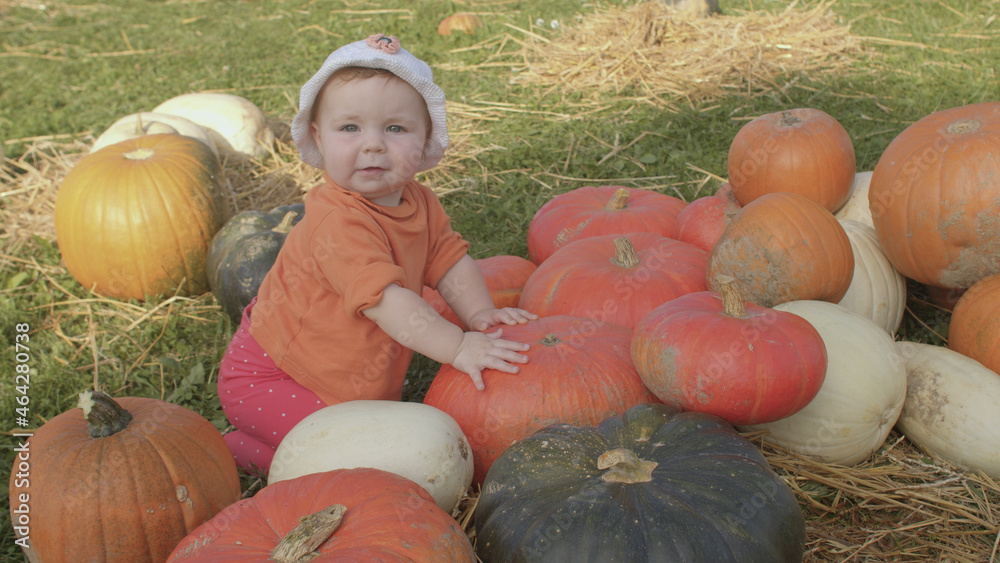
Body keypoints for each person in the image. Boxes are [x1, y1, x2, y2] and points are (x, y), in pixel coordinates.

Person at [217, 33, 537, 473]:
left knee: (364, 446)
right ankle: (229, 452)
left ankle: (263, 445)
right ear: (319, 137)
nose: (373, 144)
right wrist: (458, 345)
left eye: (395, 128)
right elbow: (388, 303)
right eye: (350, 128)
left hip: (342, 379)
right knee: (343, 459)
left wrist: (480, 314)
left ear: (425, 141)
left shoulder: (420, 202)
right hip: (274, 379)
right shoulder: (338, 222)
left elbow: (448, 260)